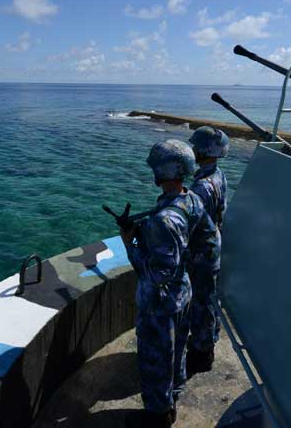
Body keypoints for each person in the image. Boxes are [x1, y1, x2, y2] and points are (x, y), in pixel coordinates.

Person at [117, 139, 211, 428]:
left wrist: (130, 242)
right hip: (183, 293)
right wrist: (150, 232)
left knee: (155, 360)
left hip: (160, 304)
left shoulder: (164, 220)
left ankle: (158, 416)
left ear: (166, 170)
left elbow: (157, 273)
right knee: (178, 350)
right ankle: (173, 397)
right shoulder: (191, 199)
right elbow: (198, 236)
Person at [185, 126, 228, 375]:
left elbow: (193, 222)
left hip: (202, 250)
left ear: (204, 150)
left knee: (201, 303)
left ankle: (202, 354)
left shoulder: (201, 187)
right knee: (211, 298)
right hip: (215, 242)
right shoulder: (218, 175)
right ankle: (211, 337)